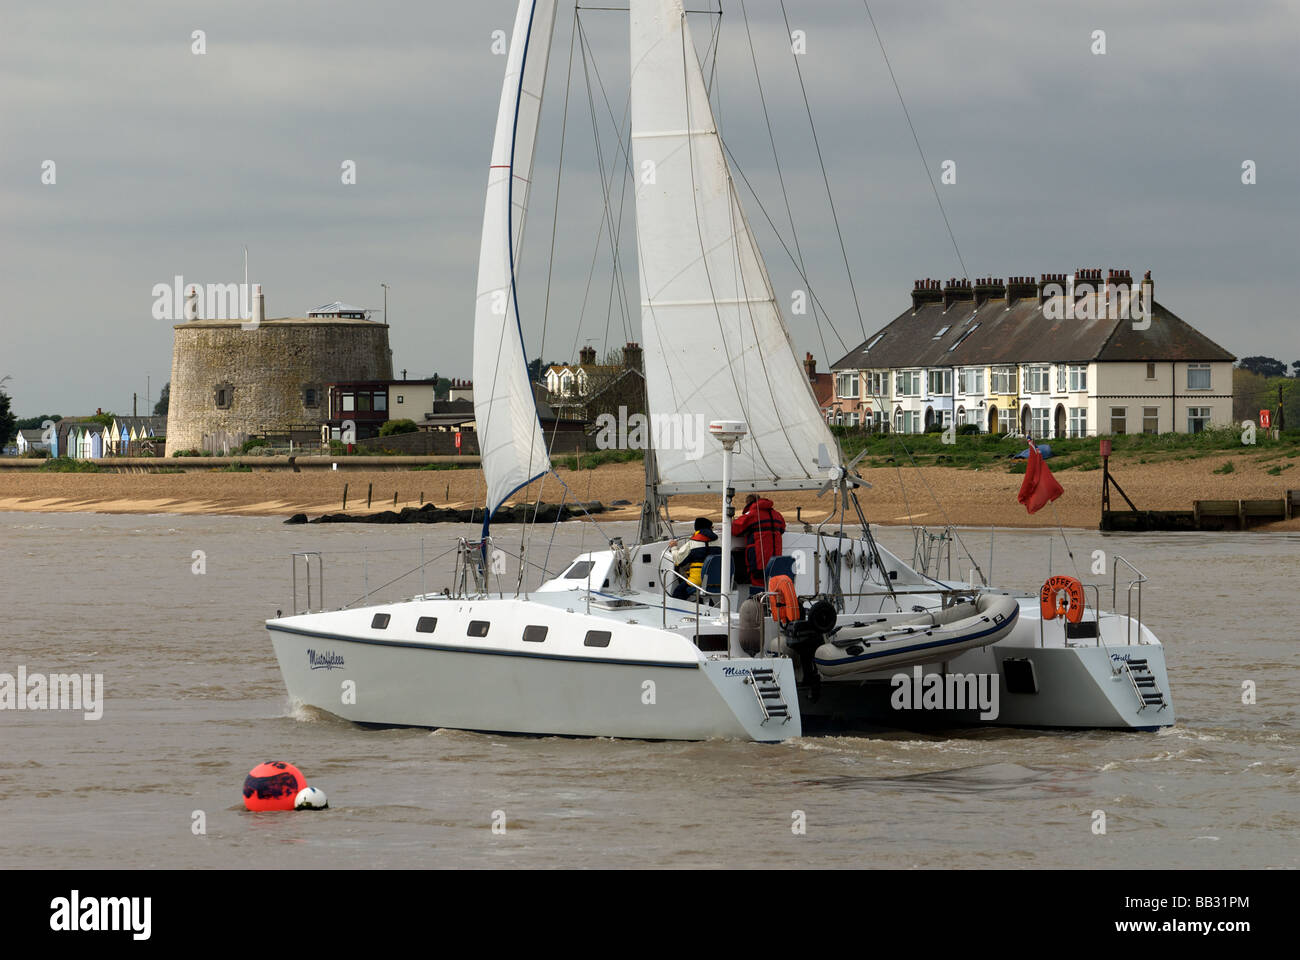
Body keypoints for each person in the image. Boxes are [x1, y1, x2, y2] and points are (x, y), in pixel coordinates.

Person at [732, 494, 785, 592]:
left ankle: (757, 606)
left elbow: (735, 529)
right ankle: (772, 605)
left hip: (759, 558)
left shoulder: (752, 514)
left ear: (748, 503)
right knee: (773, 585)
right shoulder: (777, 514)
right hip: (775, 559)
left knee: (758, 586)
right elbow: (782, 529)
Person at [665, 518, 721, 600]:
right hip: (718, 580)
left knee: (678, 592)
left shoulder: (693, 542)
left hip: (698, 582)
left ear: (696, 528)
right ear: (710, 528)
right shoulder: (719, 541)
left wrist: (674, 547)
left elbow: (678, 561)